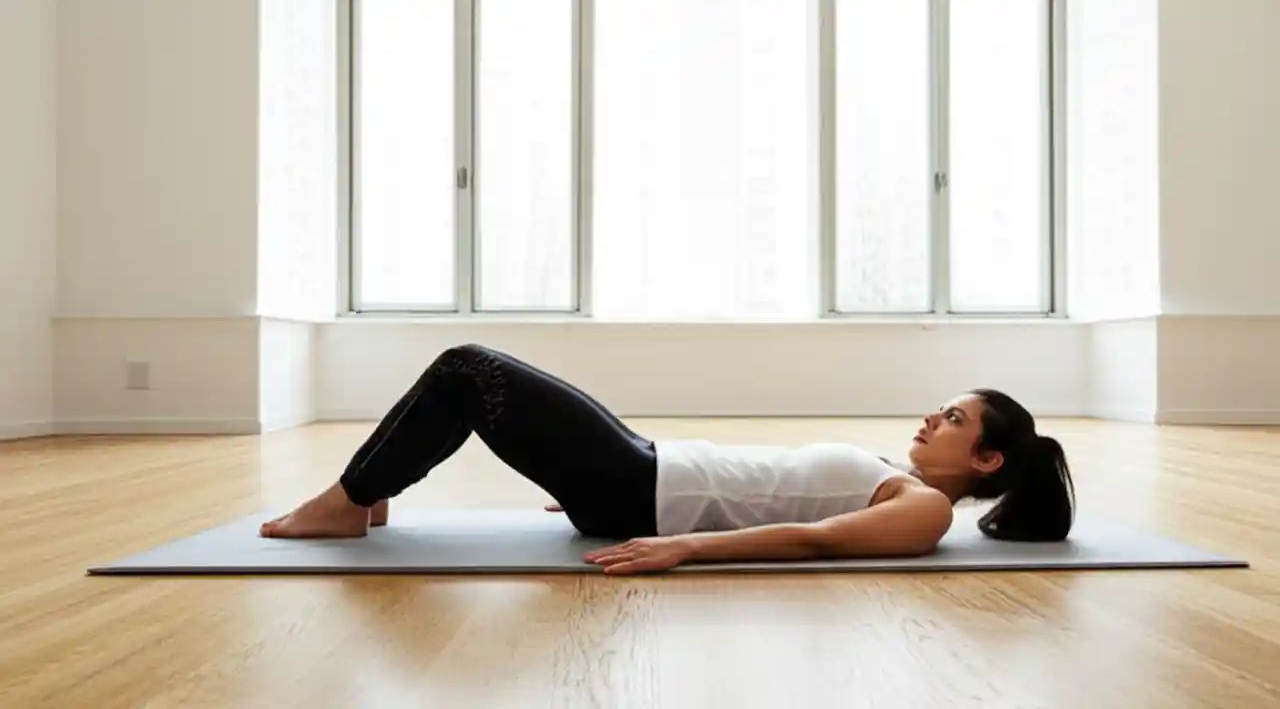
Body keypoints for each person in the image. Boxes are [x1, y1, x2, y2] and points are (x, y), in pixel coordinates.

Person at [260, 343, 1076, 575]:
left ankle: (349, 501)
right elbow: (774, 496)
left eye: (956, 418)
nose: (934, 416)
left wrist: (683, 544)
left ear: (989, 459)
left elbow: (816, 540)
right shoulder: (895, 475)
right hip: (645, 470)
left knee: (471, 371)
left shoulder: (927, 510)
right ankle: (366, 496)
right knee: (469, 378)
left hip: (641, 489)